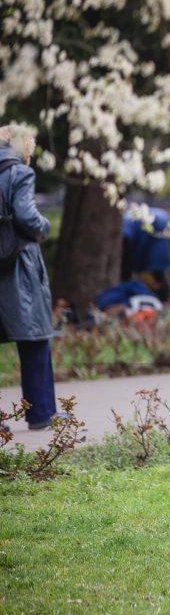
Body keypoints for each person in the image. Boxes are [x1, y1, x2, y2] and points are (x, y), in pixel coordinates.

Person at [0, 124, 58, 431]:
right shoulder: (19, 173)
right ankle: (41, 412)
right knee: (35, 336)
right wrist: (44, 227)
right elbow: (25, 216)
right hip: (16, 264)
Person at [121, 203, 170, 303]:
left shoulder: (125, 222)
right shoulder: (128, 218)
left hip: (158, 230)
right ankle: (165, 301)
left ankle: (163, 301)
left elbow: (126, 240)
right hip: (163, 226)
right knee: (160, 274)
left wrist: (128, 268)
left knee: (158, 273)